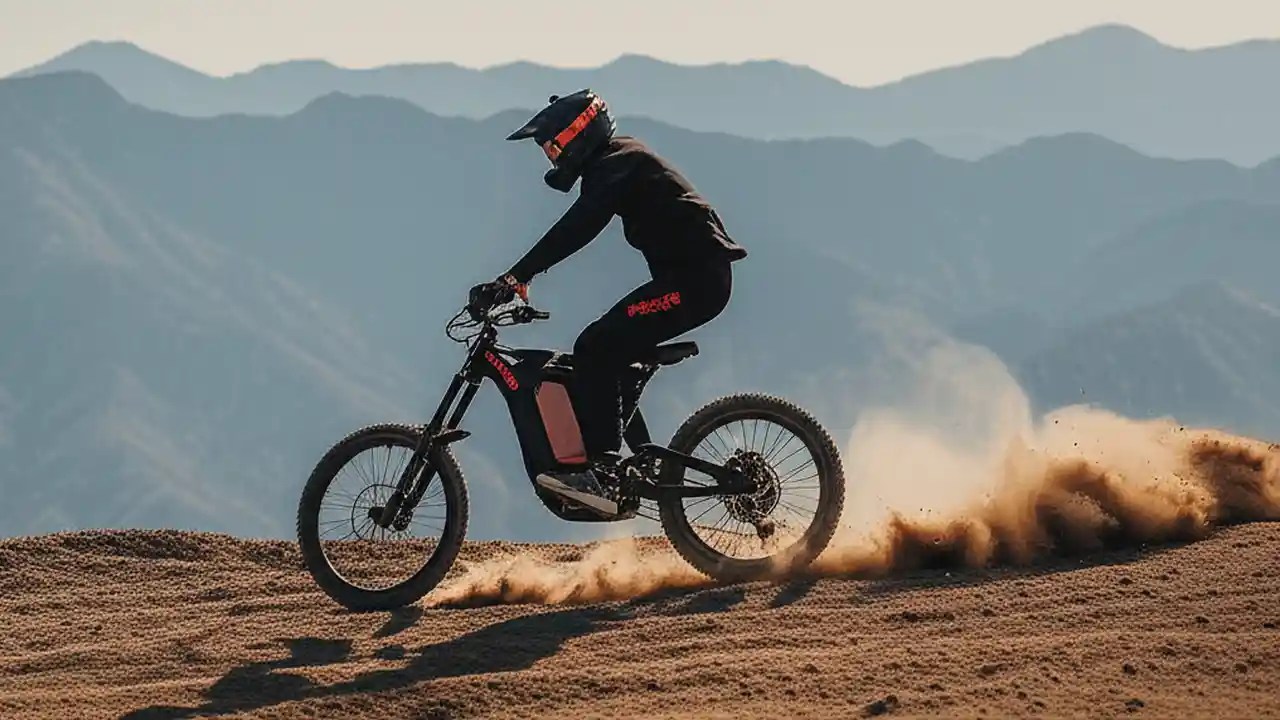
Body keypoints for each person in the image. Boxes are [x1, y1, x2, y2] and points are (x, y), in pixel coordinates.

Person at [471, 89, 747, 516]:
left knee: (595, 346)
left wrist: (517, 276)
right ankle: (626, 465)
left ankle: (601, 470)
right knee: (607, 352)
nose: (549, 155)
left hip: (697, 282)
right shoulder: (616, 162)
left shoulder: (617, 162)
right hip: (694, 279)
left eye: (553, 145)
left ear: (578, 134)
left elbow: (579, 226)